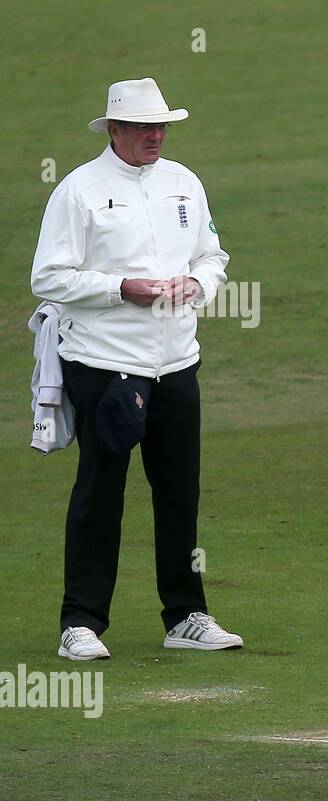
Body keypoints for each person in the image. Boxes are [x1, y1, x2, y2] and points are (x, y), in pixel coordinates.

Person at [31, 77, 243, 661]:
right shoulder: (79, 190)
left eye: (162, 126)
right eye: (145, 127)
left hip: (176, 362)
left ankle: (186, 615)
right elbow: (48, 278)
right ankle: (81, 621)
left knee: (180, 492)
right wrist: (123, 288)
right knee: (101, 491)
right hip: (104, 364)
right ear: (115, 130)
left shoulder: (184, 183)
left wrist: (197, 282)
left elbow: (212, 254)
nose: (156, 136)